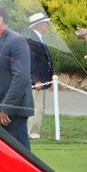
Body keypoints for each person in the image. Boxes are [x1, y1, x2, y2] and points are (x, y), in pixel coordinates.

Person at [0, 3, 34, 148]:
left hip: (10, 114)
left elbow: (21, 78)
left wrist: (6, 107)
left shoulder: (16, 41)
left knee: (19, 157)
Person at [25, 13, 55, 141]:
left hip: (42, 80)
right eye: (44, 23)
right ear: (37, 25)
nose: (46, 25)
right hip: (36, 82)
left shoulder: (39, 38)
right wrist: (35, 80)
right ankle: (32, 132)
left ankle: (35, 131)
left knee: (40, 107)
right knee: (36, 107)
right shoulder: (32, 40)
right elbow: (31, 61)